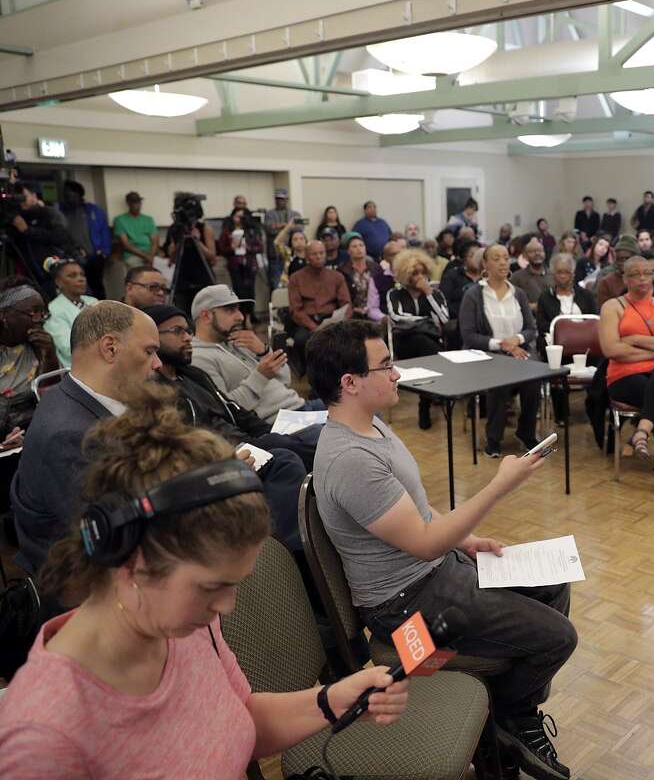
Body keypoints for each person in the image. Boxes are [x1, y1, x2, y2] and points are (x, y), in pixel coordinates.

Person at [0, 384, 408, 779]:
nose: (226, 607)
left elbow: (238, 717)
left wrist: (330, 699)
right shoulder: (42, 740)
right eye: (211, 587)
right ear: (131, 557)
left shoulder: (180, 621)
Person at [306, 319, 573, 780]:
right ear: (349, 383)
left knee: (554, 583)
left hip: (432, 572)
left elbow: (412, 508)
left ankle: (515, 710)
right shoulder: (350, 460)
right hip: (407, 606)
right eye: (385, 366)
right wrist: (499, 486)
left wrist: (466, 542)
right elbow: (427, 541)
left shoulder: (370, 427)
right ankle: (512, 719)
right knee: (559, 637)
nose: (396, 374)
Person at [11, 301, 159, 572]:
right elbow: (119, 540)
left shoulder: (68, 396)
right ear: (110, 347)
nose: (158, 364)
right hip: (88, 587)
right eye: (149, 351)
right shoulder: (71, 435)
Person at [148, 305, 313, 548]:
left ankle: (331, 514)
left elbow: (237, 411)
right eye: (177, 331)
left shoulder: (192, 375)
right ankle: (295, 555)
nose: (187, 338)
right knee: (285, 456)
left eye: (188, 331)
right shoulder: (155, 390)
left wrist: (270, 432)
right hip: (224, 454)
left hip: (252, 435)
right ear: (153, 340)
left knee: (314, 435)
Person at [599, 256, 654, 501]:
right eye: (635, 274)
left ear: (653, 276)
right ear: (625, 278)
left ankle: (641, 432)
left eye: (647, 273)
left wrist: (636, 340)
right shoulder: (613, 307)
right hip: (623, 378)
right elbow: (612, 350)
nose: (642, 279)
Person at [190, 285, 322, 424]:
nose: (240, 316)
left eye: (238, 309)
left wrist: (263, 352)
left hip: (300, 406)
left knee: (344, 399)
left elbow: (285, 379)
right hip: (281, 422)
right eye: (230, 310)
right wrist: (261, 375)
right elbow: (227, 410)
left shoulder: (237, 341)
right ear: (206, 316)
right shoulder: (199, 358)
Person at [459, 245, 542, 458]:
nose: (503, 262)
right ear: (485, 264)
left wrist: (516, 340)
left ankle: (526, 433)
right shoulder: (474, 294)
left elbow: (531, 329)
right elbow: (468, 335)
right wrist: (501, 344)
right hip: (487, 354)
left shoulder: (518, 293)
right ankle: (493, 438)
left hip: (519, 350)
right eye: (496, 258)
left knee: (534, 378)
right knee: (500, 377)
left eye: (506, 258)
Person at [389, 250, 450, 430]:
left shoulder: (435, 293)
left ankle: (425, 404)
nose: (420, 277)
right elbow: (397, 317)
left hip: (429, 345)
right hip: (405, 343)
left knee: (425, 344)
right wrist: (425, 321)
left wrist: (428, 293)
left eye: (423, 272)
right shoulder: (395, 294)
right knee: (424, 343)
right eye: (415, 273)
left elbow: (444, 319)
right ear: (405, 273)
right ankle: (429, 400)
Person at [0, 278, 58, 435]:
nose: (38, 319)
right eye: (33, 312)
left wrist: (50, 355)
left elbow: (50, 398)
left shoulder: (36, 348)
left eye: (42, 312)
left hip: (31, 433)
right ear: (4, 314)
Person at [286, 241, 351, 367]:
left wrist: (341, 321)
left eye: (321, 253)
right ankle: (309, 374)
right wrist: (313, 327)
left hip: (332, 319)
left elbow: (346, 304)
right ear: (307, 257)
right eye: (314, 254)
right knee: (301, 340)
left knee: (345, 339)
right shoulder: (296, 278)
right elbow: (295, 310)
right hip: (306, 322)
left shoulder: (337, 276)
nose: (319, 256)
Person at [9, 183, 75, 286]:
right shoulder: (17, 219)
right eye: (17, 198)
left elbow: (60, 237)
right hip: (33, 278)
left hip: (58, 274)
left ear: (34, 196)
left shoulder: (49, 213)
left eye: (23, 197)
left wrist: (28, 230)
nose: (21, 201)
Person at [58, 181, 111, 300]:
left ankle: (103, 311)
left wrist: (104, 252)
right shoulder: (61, 211)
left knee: (97, 287)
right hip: (72, 258)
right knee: (77, 288)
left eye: (69, 194)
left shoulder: (93, 211)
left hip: (94, 257)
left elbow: (104, 231)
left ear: (78, 194)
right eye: (65, 195)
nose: (67, 198)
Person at [43, 258, 98, 368]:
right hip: (79, 369)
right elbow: (68, 348)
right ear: (58, 282)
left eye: (82, 275)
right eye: (72, 276)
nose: (80, 279)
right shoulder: (53, 309)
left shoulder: (93, 301)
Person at [536, 254, 600, 346]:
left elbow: (594, 321)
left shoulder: (586, 295)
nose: (563, 276)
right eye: (559, 272)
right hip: (557, 342)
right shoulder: (545, 297)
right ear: (553, 274)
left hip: (585, 340)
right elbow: (542, 326)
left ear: (573, 274)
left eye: (566, 272)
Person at [216, 207, 264, 317]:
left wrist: (248, 247)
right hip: (235, 264)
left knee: (250, 290)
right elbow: (221, 248)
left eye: (242, 216)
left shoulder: (252, 230)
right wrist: (232, 248)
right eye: (237, 216)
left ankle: (250, 315)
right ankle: (241, 315)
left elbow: (260, 247)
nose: (239, 219)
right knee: (238, 290)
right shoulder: (227, 231)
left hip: (250, 263)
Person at [339, 234, 384, 323]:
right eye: (354, 246)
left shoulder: (376, 268)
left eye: (361, 245)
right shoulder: (342, 271)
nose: (359, 249)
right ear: (348, 251)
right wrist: (354, 309)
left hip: (375, 310)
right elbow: (343, 297)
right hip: (353, 312)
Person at [440, 241, 483, 321]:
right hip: (458, 318)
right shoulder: (452, 275)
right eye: (472, 255)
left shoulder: (488, 276)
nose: (477, 259)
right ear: (464, 259)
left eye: (479, 256)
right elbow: (444, 302)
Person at [596, 235, 639, 307]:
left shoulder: (643, 279)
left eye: (627, 258)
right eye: (620, 259)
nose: (623, 263)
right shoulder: (606, 281)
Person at [510, 238, 553, 311]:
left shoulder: (554, 275)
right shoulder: (516, 277)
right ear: (525, 256)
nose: (537, 253)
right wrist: (532, 307)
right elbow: (512, 303)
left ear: (544, 253)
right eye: (532, 251)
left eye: (540, 251)